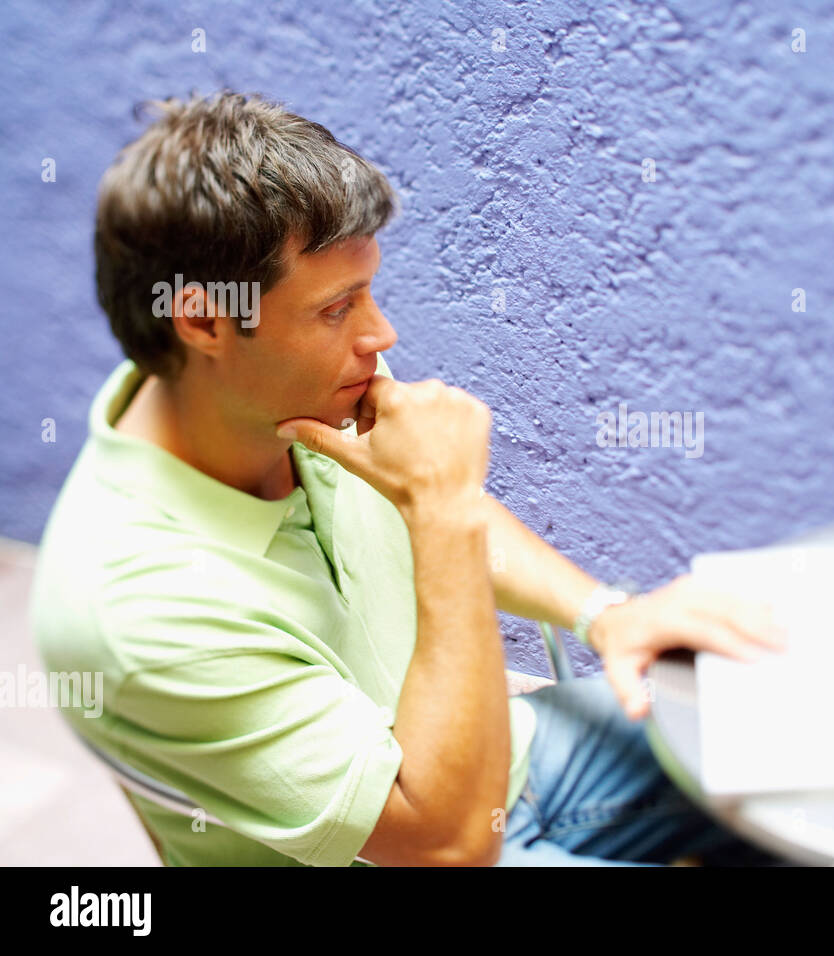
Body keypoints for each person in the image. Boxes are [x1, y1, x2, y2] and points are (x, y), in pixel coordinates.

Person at [31, 90, 789, 866]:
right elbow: (447, 844)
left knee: (790, 738)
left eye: (368, 291)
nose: (380, 334)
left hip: (506, 761)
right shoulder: (132, 608)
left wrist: (602, 614)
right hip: (416, 839)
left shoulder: (281, 385)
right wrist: (442, 506)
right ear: (202, 321)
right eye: (337, 307)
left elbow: (442, 506)